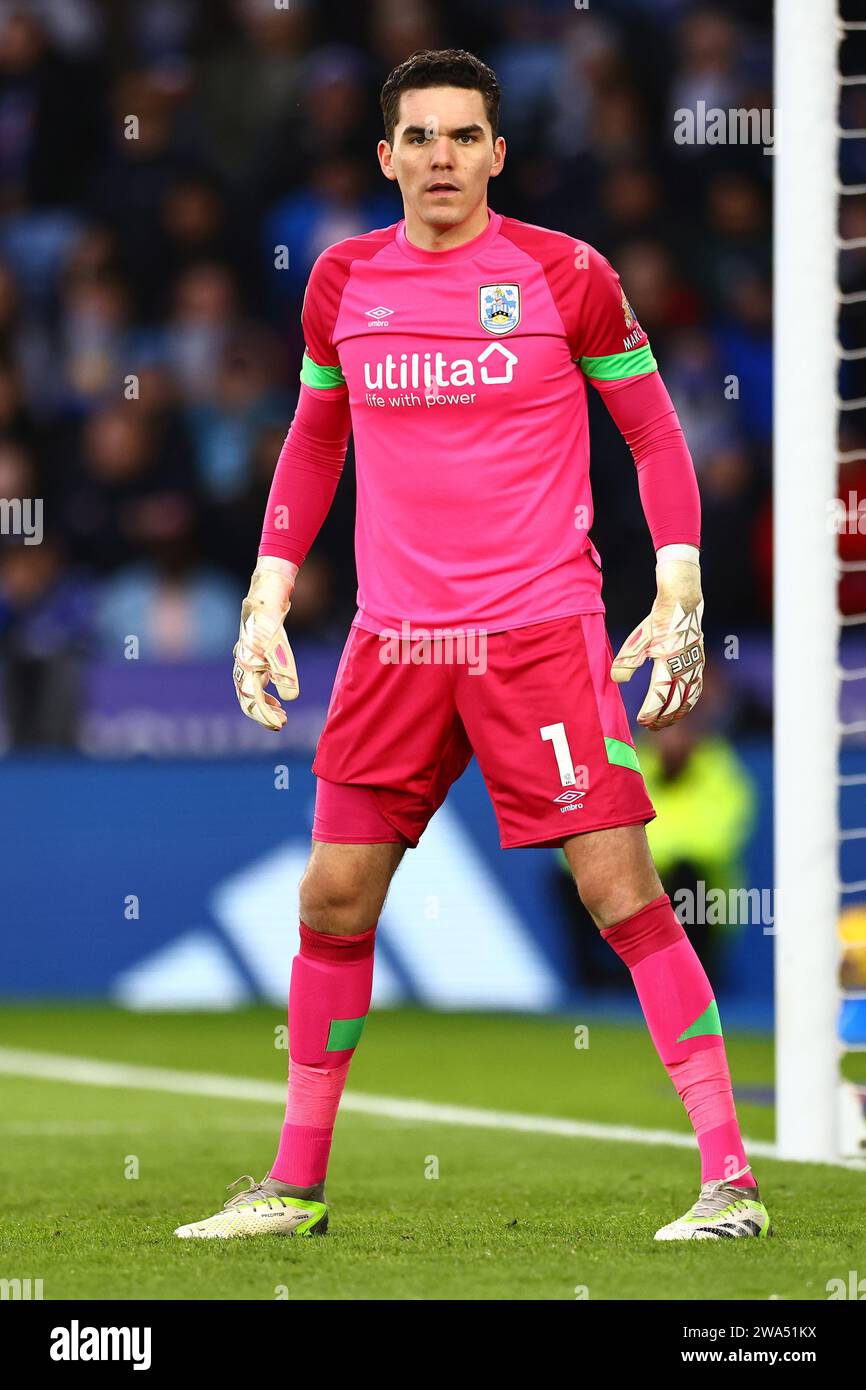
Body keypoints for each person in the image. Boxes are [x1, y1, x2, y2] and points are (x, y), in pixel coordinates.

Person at [175, 49, 770, 1244]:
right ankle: (292, 1188)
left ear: (496, 152)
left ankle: (729, 1182)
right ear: (384, 154)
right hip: (392, 643)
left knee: (619, 892)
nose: (438, 156)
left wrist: (679, 574)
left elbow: (654, 434)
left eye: (461, 136)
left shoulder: (566, 273)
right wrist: (265, 587)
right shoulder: (341, 282)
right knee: (333, 900)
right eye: (418, 136)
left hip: (539, 632)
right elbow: (310, 441)